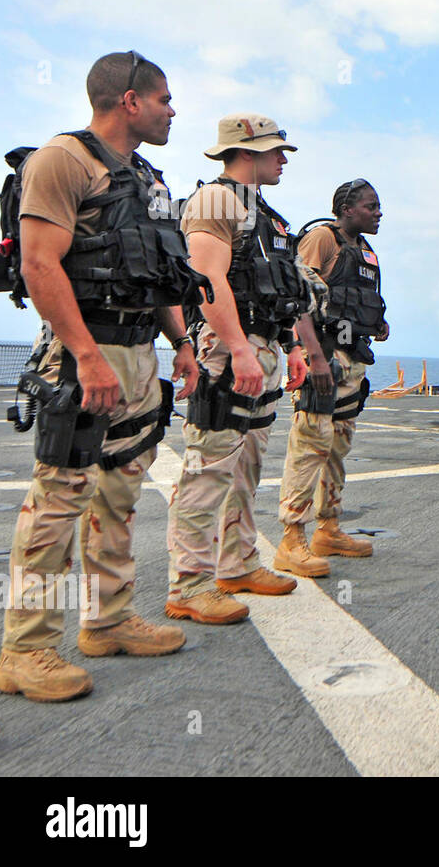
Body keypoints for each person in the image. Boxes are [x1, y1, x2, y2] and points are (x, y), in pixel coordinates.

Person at [0, 52, 203, 704]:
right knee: (59, 499)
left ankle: (107, 621)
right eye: (165, 99)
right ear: (130, 101)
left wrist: (182, 345)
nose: (174, 110)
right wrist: (85, 356)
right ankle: (26, 649)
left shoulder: (146, 178)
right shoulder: (65, 160)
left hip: (141, 354)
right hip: (85, 348)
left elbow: (159, 277)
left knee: (119, 495)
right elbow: (38, 263)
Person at [163, 115, 318, 624]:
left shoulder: (265, 214)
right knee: (210, 466)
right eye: (276, 150)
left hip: (264, 344)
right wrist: (239, 348)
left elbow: (279, 290)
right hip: (230, 349)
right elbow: (207, 278)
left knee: (247, 464)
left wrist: (291, 347)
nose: (284, 159)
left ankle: (237, 562)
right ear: (247, 152)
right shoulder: (215, 200)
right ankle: (189, 585)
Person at [275, 179, 387, 573]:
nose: (378, 213)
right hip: (322, 357)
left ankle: (328, 527)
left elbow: (360, 299)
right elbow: (298, 299)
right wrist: (313, 357)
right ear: (346, 208)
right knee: (311, 444)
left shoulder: (365, 251)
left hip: (352, 359)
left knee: (338, 446)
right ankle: (291, 538)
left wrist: (378, 322)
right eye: (371, 206)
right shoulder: (323, 239)